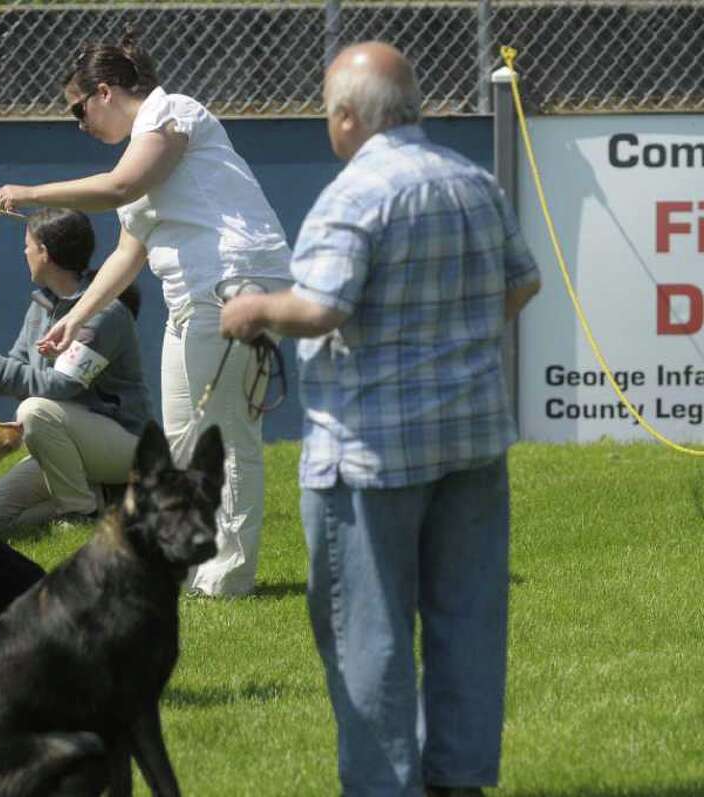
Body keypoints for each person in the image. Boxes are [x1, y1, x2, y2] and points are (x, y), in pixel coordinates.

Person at [220, 42, 542, 797]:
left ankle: (383, 784)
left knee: (369, 633)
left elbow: (322, 306)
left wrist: (257, 307)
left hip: (369, 451)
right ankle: (458, 779)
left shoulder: (353, 193)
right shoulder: (474, 180)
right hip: (469, 440)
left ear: (344, 118)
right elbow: (522, 285)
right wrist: (453, 342)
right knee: (467, 619)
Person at [0, 34, 292, 597]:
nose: (79, 123)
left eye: (78, 109)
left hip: (231, 288)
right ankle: (193, 564)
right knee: (180, 439)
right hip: (191, 299)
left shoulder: (172, 113)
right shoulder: (138, 155)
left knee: (224, 434)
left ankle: (227, 578)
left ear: (104, 92)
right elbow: (128, 254)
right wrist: (76, 318)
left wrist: (32, 193)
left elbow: (121, 185)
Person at [0, 208, 152, 531]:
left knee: (34, 411)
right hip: (68, 442)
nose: (23, 252)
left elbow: (59, 387)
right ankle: (104, 505)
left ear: (45, 253)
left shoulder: (103, 313)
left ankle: (79, 510)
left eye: (28, 245)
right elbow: (17, 371)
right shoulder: (42, 304)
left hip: (125, 445)